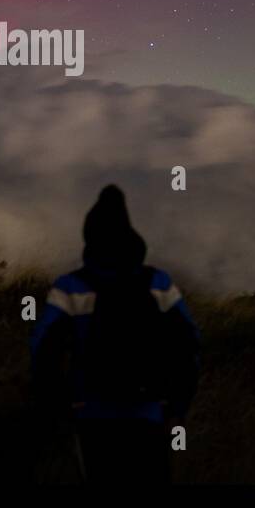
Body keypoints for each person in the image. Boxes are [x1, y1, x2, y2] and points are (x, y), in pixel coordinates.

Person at [30, 184, 200, 483]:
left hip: (91, 417)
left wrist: (59, 409)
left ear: (88, 236)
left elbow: (43, 352)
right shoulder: (158, 283)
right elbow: (189, 345)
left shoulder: (69, 287)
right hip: (150, 415)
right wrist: (176, 409)